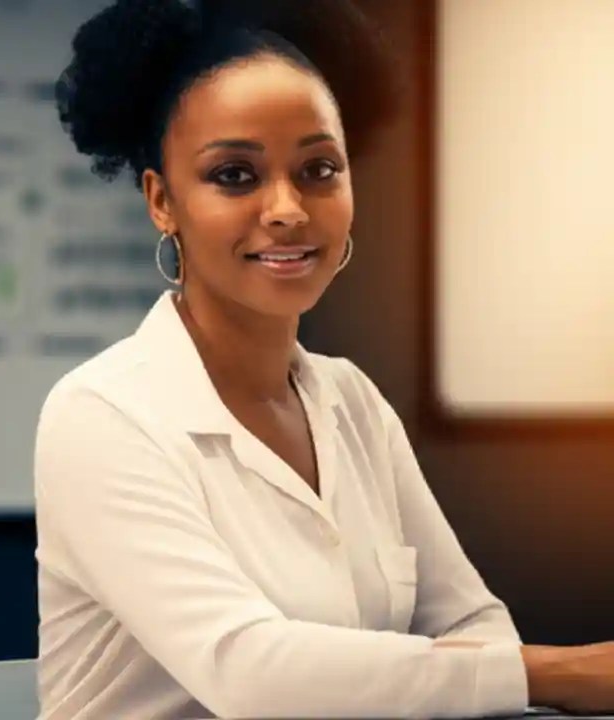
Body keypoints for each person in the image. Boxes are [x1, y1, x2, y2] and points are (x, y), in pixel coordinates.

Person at [32, 0, 614, 718]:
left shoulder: (353, 403)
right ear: (162, 200)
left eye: (319, 168)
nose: (287, 208)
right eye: (235, 176)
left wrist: (495, 669)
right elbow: (250, 676)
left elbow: (471, 626)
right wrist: (557, 672)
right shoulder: (102, 415)